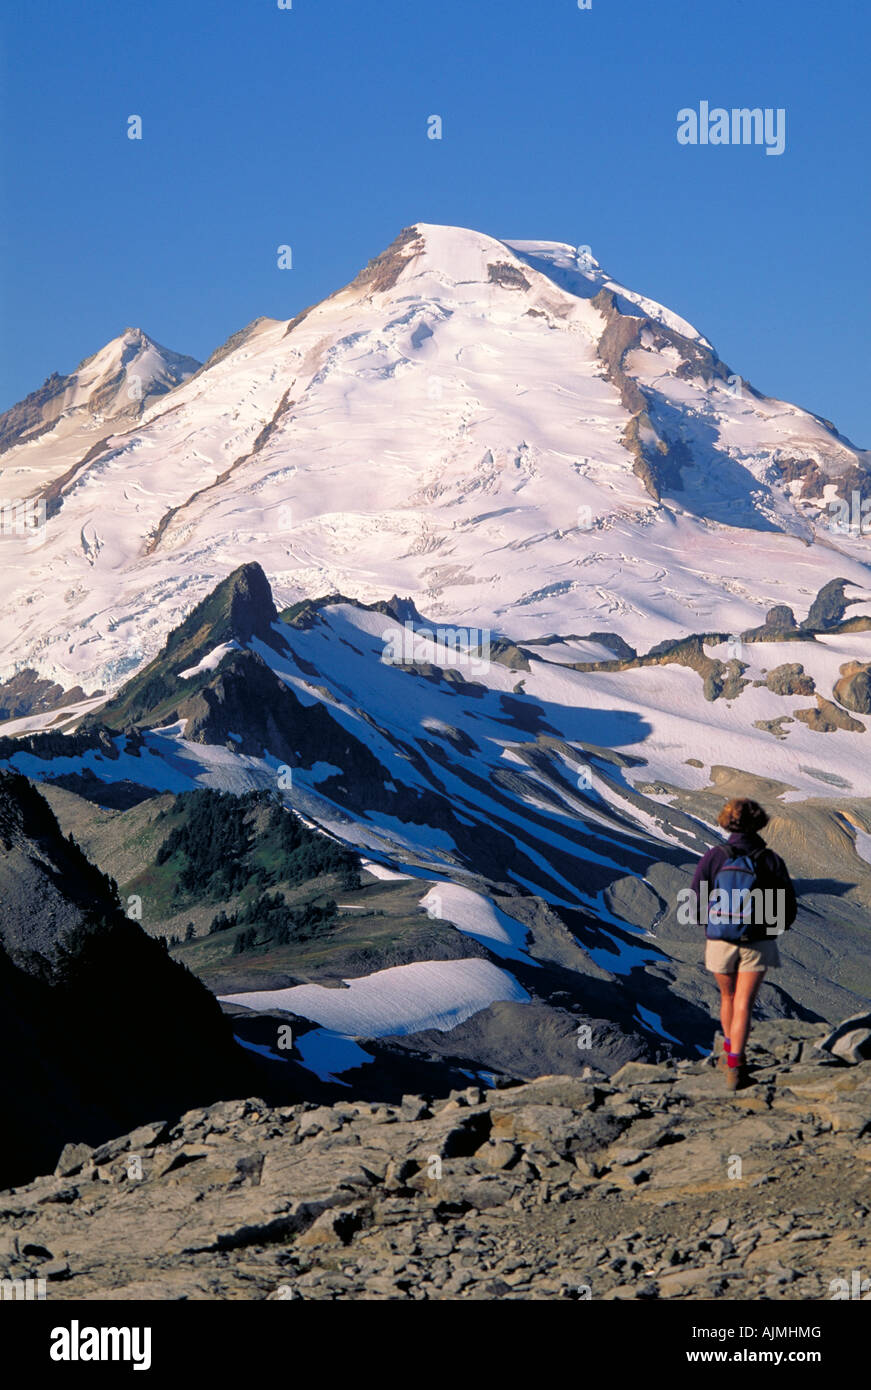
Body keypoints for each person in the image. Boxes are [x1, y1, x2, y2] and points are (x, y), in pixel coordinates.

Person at [691, 797, 796, 1091]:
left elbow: (696, 897)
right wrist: (771, 930)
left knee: (727, 998)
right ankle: (736, 1066)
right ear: (759, 822)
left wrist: (711, 928)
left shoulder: (714, 856)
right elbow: (788, 906)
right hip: (758, 941)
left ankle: (728, 1053)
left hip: (720, 939)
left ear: (727, 822)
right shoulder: (771, 859)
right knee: (744, 1004)